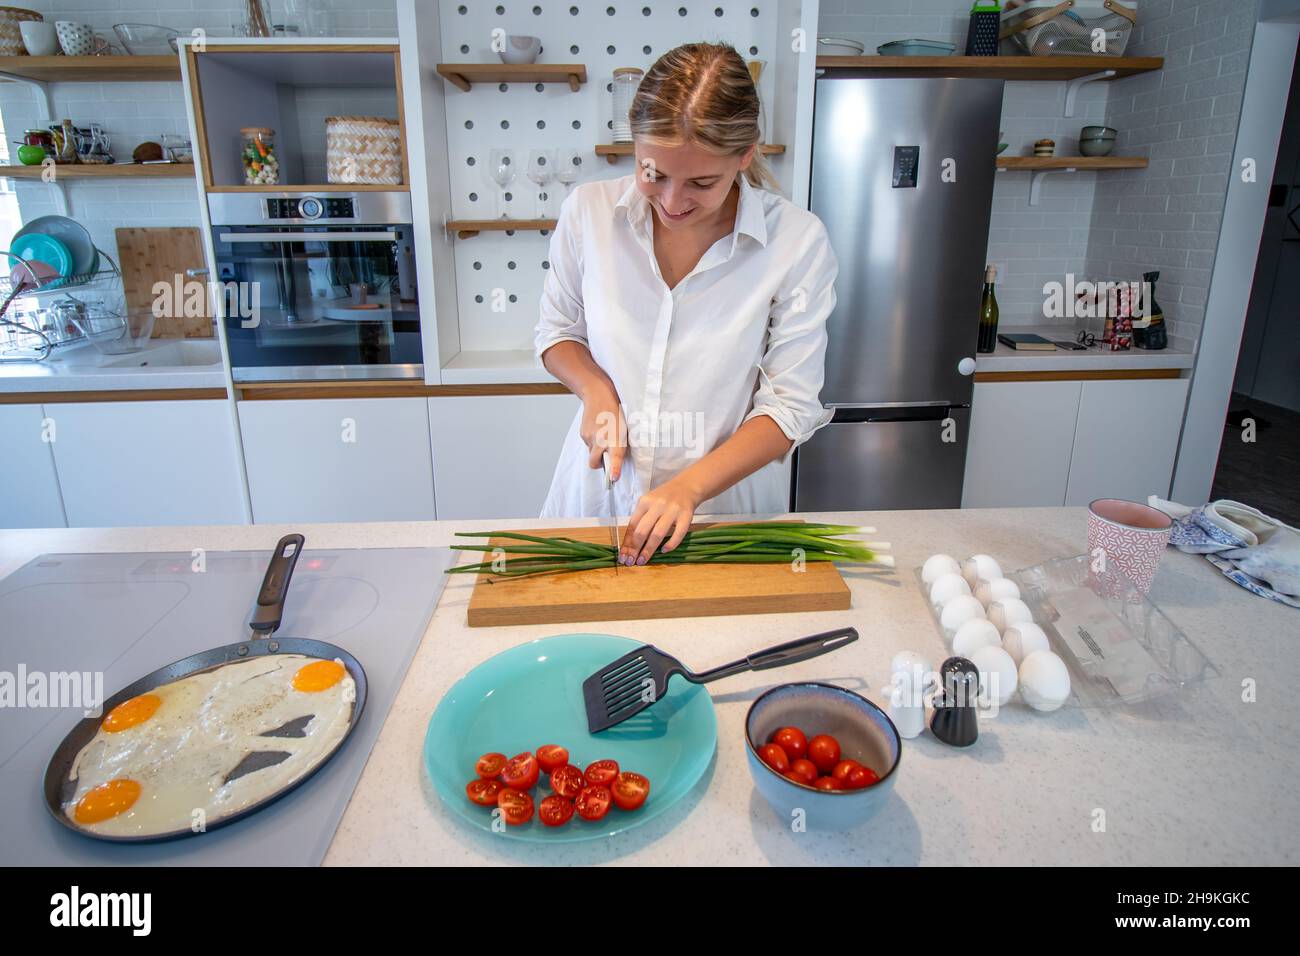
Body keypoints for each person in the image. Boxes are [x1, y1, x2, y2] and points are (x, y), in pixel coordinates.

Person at [533, 41, 838, 567]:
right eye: (653, 173)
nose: (673, 203)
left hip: (721, 517)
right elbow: (556, 332)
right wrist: (596, 391)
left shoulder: (796, 241)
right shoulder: (588, 213)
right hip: (597, 501)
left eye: (702, 182)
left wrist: (688, 489)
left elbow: (791, 406)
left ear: (745, 155)